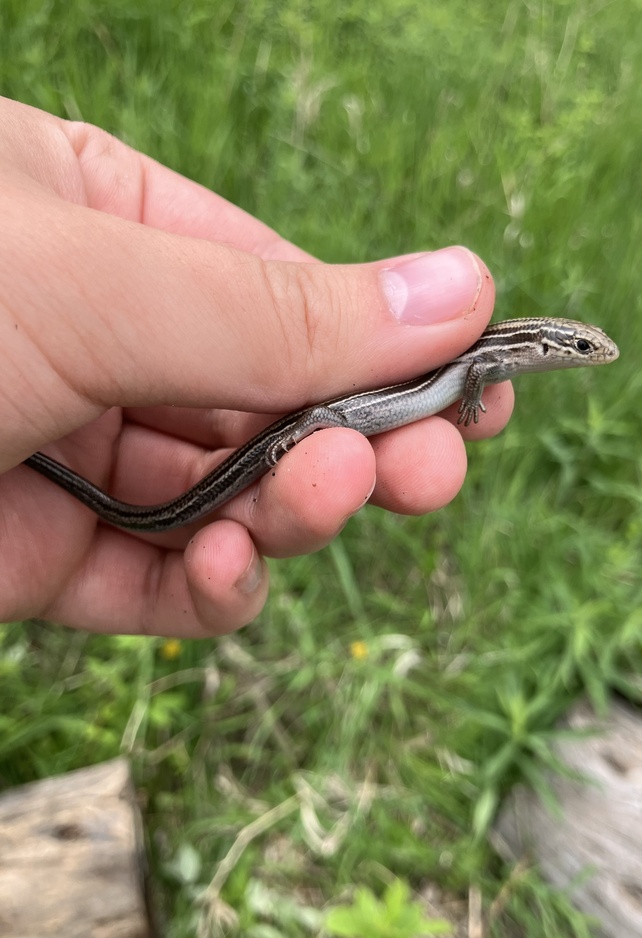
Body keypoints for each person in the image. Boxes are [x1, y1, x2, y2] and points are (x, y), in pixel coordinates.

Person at [0, 97, 510, 637]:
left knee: (292, 482)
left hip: (336, 415)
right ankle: (249, 455)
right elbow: (474, 376)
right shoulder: (485, 360)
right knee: (303, 455)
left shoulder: (488, 358)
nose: (589, 354)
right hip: (326, 416)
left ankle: (85, 477)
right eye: (581, 348)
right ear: (547, 346)